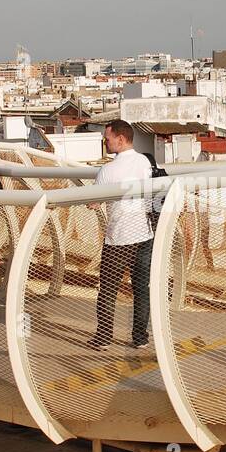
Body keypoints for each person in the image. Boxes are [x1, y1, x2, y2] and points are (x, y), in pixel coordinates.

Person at [88, 119, 155, 350]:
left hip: (118, 238)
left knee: (107, 289)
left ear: (120, 139)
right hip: (145, 234)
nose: (105, 142)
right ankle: (140, 337)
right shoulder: (146, 162)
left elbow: (94, 202)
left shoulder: (108, 170)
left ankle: (104, 337)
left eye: (107, 138)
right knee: (141, 289)